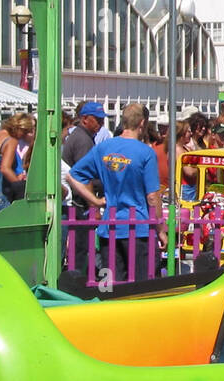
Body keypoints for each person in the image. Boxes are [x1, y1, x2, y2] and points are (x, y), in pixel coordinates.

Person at [68, 103, 165, 284]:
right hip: (139, 228)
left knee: (111, 286)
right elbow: (152, 196)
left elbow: (72, 176)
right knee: (142, 286)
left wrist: (95, 201)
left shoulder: (104, 148)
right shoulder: (145, 152)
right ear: (142, 123)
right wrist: (160, 229)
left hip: (110, 228)